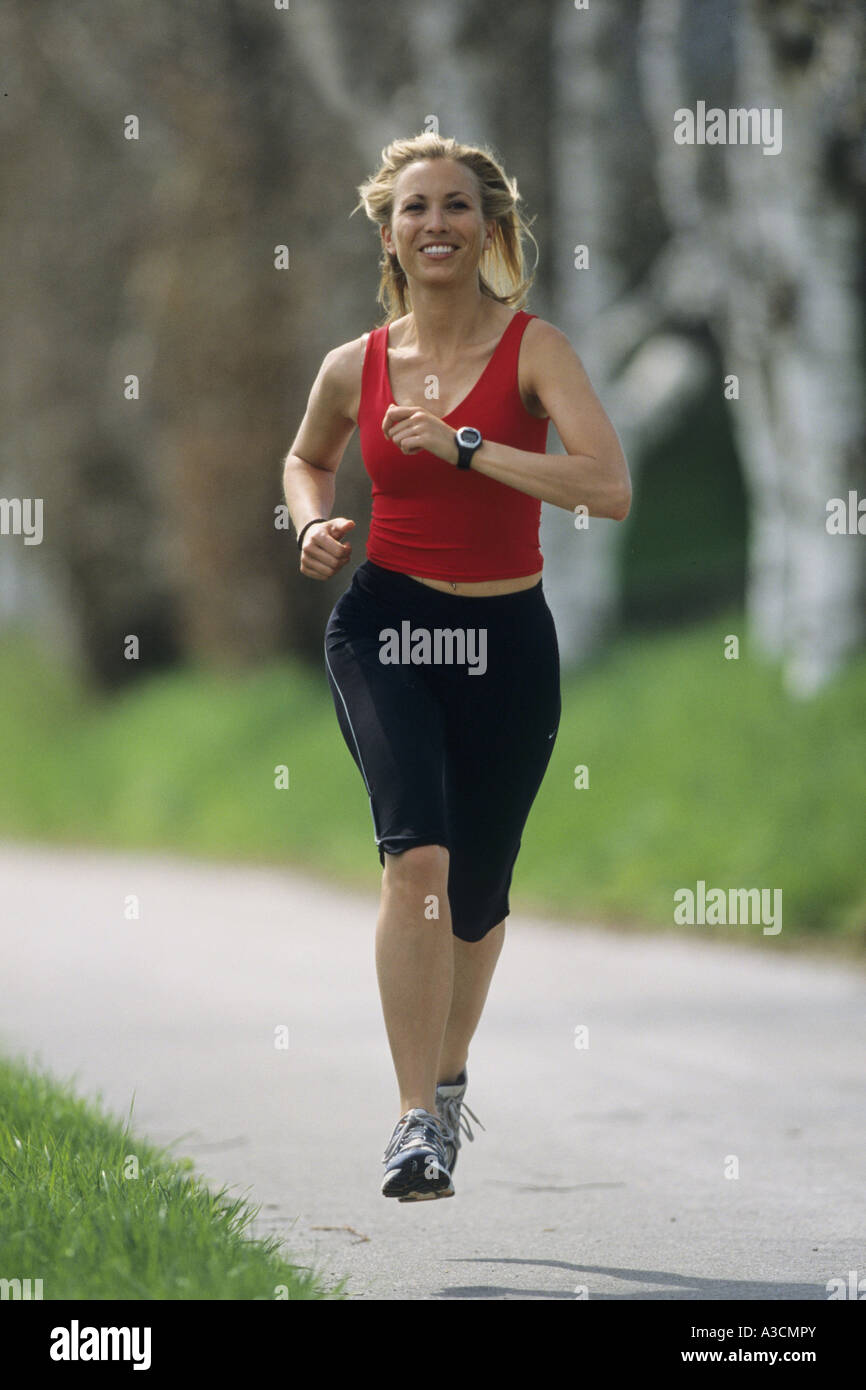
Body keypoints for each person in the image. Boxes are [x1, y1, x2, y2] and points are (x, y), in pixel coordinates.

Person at [282, 132, 631, 1203]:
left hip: (504, 642)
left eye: (458, 206)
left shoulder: (535, 352)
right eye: (415, 208)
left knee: (476, 893)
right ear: (387, 232)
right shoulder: (355, 364)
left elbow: (603, 487)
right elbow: (306, 457)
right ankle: (409, 1123)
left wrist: (471, 449)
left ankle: (443, 1082)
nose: (436, 223)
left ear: (489, 227)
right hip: (384, 629)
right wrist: (308, 525)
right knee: (416, 863)